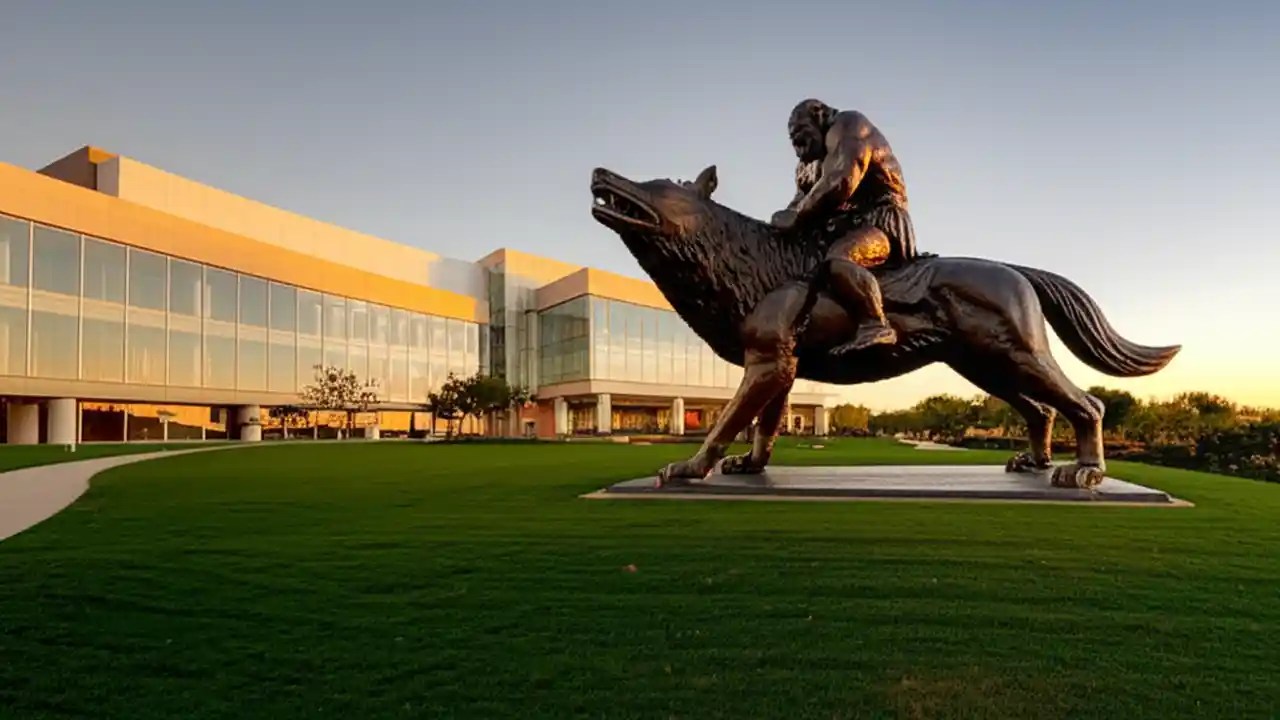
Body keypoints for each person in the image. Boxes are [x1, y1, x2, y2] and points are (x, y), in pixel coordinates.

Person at [771, 98, 919, 354]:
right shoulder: (809, 162)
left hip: (879, 220)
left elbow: (841, 182)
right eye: (793, 142)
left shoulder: (850, 126)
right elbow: (800, 201)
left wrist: (798, 215)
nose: (798, 148)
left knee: (838, 260)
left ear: (819, 116)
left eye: (800, 136)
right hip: (841, 224)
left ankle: (876, 324)